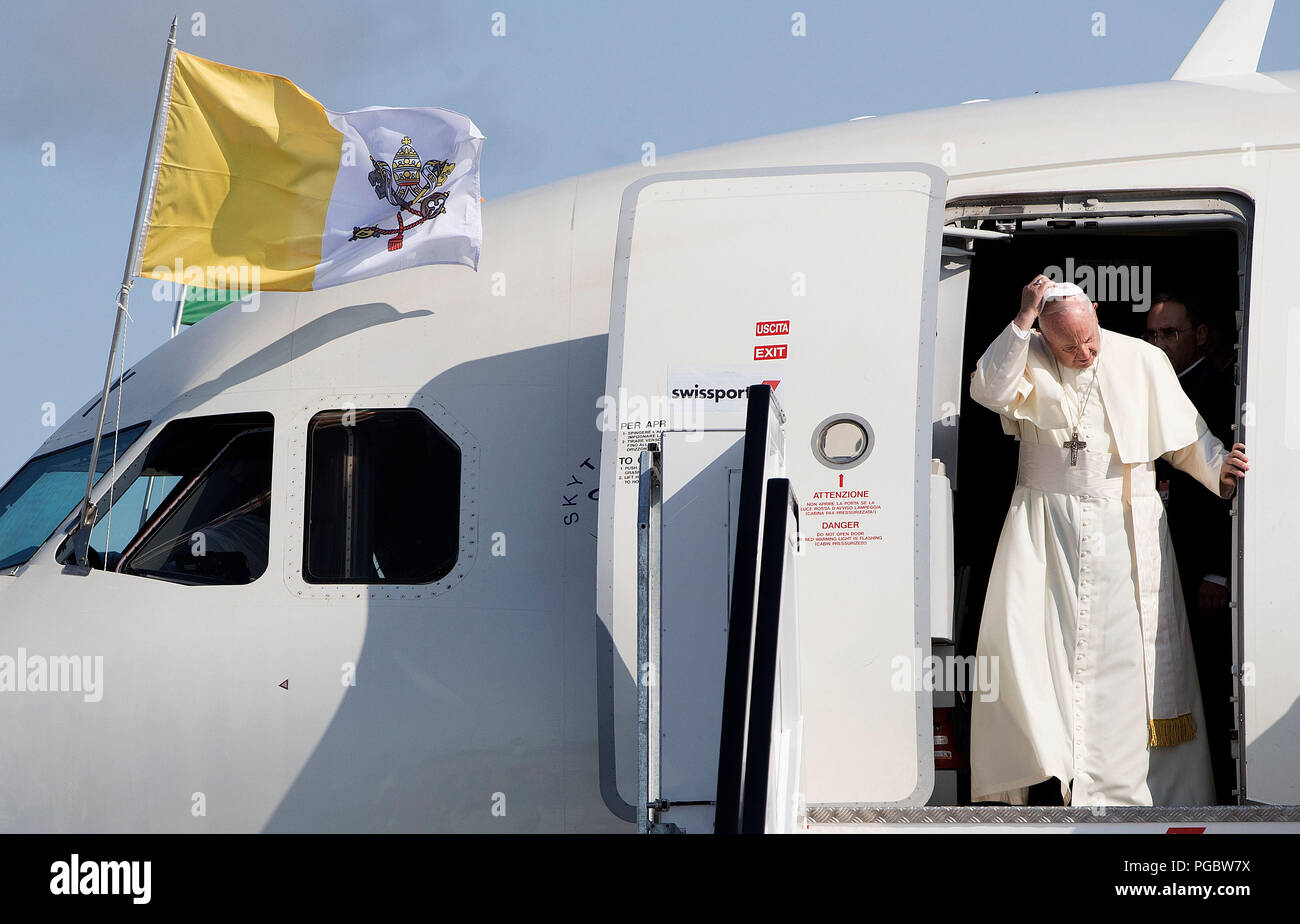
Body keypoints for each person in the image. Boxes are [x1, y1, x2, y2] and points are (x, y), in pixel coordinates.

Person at [967, 273, 1249, 807]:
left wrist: (1219, 470)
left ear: (1098, 312)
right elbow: (989, 390)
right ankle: (1054, 779)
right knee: (1035, 654)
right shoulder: (1024, 350)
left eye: (1089, 338)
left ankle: (1137, 796)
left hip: (1127, 529)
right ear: (1042, 335)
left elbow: (1184, 436)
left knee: (1129, 668)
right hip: (1045, 530)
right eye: (1068, 344)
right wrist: (1023, 317)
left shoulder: (1140, 358)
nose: (1084, 351)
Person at [1145, 292, 1238, 803]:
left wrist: (1219, 572)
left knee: (1207, 680)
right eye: (1151, 335)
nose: (1158, 344)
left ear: (1200, 335)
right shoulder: (1161, 385)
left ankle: (1221, 791)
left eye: (1170, 333)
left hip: (1204, 568)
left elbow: (1228, 489)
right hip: (1168, 559)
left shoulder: (1219, 391)